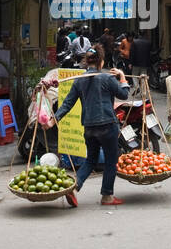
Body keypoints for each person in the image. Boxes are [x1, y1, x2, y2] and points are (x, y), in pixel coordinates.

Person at [51, 49, 129, 207]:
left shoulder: (79, 80)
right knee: (110, 161)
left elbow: (67, 103)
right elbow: (124, 95)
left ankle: (74, 187)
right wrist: (123, 78)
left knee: (91, 160)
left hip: (89, 127)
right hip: (108, 125)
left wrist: (55, 119)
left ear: (87, 62)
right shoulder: (107, 77)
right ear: (101, 62)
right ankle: (107, 196)